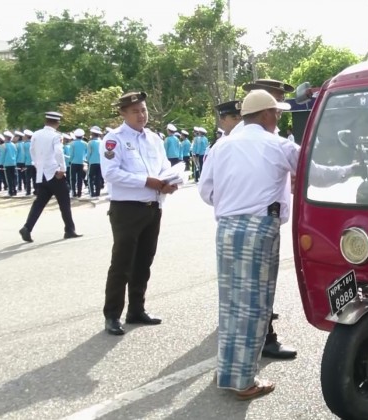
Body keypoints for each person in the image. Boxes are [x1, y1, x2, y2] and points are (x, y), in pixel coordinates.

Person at [199, 89, 294, 400]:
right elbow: (314, 170)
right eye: (276, 113)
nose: (278, 117)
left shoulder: (222, 146)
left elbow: (206, 191)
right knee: (255, 305)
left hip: (227, 227)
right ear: (266, 115)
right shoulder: (278, 144)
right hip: (260, 226)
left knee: (231, 304)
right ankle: (243, 381)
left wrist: (231, 203)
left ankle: (227, 372)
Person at [100, 91, 179, 336]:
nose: (141, 115)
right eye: (135, 111)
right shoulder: (114, 139)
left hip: (153, 206)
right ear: (123, 113)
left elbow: (164, 166)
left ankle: (136, 309)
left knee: (144, 261)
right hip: (127, 209)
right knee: (121, 263)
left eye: (143, 110)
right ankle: (112, 314)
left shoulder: (154, 138)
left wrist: (169, 180)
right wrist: (147, 181)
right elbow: (111, 173)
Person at [19, 112, 82, 242]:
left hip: (41, 172)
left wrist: (37, 164)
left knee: (39, 203)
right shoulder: (56, 136)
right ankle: (69, 229)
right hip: (54, 172)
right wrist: (63, 169)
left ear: (45, 121)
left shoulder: (36, 134)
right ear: (57, 123)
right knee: (64, 202)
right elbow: (59, 152)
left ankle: (27, 227)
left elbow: (32, 151)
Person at [85, 126, 104, 198]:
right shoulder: (102, 142)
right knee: (98, 177)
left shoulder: (90, 142)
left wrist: (88, 160)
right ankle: (98, 193)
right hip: (100, 162)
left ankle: (92, 193)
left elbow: (89, 153)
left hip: (92, 162)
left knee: (90, 177)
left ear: (92, 134)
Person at [69, 129, 88, 198]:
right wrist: (84, 158)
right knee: (80, 178)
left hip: (74, 162)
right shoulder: (85, 144)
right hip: (82, 162)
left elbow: (71, 154)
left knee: (73, 178)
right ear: (82, 136)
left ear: (75, 136)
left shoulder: (72, 143)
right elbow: (87, 153)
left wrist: (70, 160)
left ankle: (74, 192)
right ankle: (79, 193)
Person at [1, 131, 19, 196]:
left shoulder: (3, 145)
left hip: (7, 163)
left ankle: (10, 190)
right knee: (14, 177)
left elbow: (2, 155)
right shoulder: (13, 145)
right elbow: (16, 153)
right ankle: (15, 190)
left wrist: (1, 163)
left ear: (6, 138)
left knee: (9, 178)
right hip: (13, 163)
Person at [22, 129, 35, 196]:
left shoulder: (25, 145)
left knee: (28, 178)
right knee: (34, 177)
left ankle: (28, 191)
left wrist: (23, 163)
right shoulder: (34, 143)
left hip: (28, 163)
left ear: (27, 136)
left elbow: (24, 155)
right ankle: (36, 190)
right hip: (34, 163)